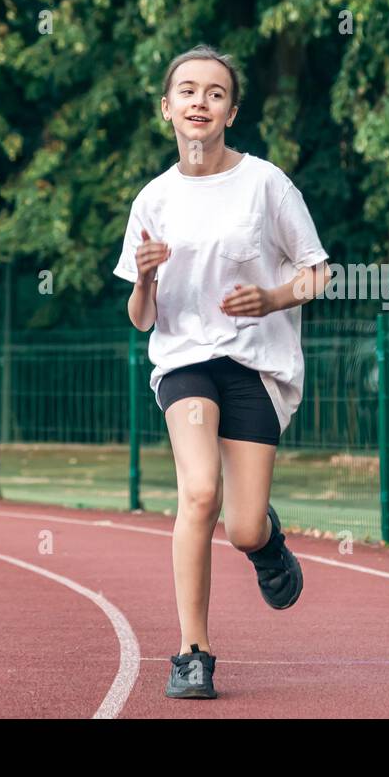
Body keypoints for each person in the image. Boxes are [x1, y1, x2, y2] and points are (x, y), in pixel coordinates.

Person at [114, 44, 330, 699]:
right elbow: (140, 319)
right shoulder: (152, 199)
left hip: (256, 366)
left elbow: (318, 272)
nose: (199, 102)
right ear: (167, 108)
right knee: (198, 493)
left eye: (213, 92)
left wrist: (271, 298)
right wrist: (146, 276)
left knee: (240, 524)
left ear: (231, 109)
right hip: (184, 365)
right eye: (187, 91)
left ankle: (266, 545)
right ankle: (192, 653)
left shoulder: (266, 184)